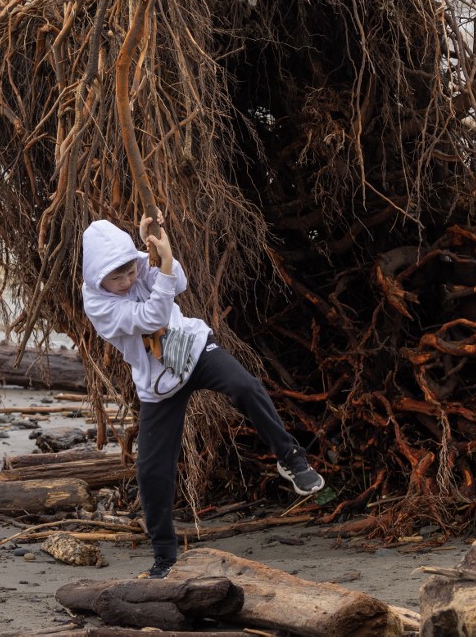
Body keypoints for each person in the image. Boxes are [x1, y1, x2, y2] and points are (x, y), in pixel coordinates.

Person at [81, 212, 325, 580]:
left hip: (193, 349)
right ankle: (165, 557)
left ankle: (291, 458)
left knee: (246, 387)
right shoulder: (98, 304)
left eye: (131, 270)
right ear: (98, 277)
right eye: (117, 276)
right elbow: (152, 315)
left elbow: (178, 282)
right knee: (152, 472)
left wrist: (159, 247)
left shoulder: (137, 265)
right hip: (159, 383)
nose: (128, 279)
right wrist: (159, 266)